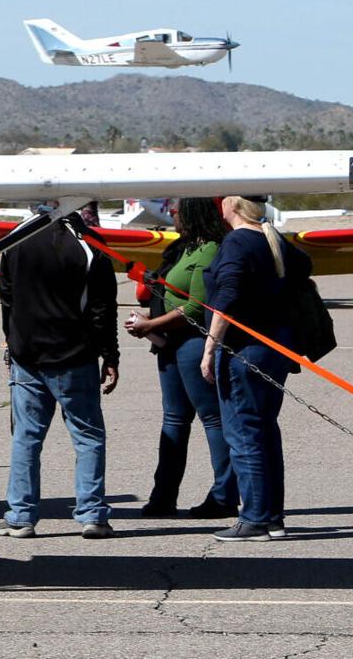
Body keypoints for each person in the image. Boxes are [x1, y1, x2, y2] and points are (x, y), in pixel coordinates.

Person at [0, 209, 120, 539]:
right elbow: (103, 305)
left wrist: (11, 341)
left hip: (27, 354)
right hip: (74, 355)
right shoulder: (89, 242)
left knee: (26, 437)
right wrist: (110, 354)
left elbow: (7, 297)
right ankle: (92, 514)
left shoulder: (16, 239)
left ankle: (21, 515)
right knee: (88, 435)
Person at [199, 195, 311, 542]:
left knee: (244, 434)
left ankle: (255, 520)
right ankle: (271, 517)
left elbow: (227, 297)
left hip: (245, 352)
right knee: (264, 431)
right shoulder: (272, 238)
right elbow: (303, 267)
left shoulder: (237, 242)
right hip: (273, 350)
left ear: (232, 205)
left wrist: (209, 347)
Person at [124, 197, 238, 518]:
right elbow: (173, 297)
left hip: (193, 343)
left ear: (191, 213)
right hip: (170, 344)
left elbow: (196, 308)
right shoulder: (185, 248)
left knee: (212, 419)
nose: (171, 215)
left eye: (175, 210)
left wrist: (150, 325)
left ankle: (224, 497)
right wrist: (148, 318)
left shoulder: (211, 250)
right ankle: (163, 496)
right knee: (174, 420)